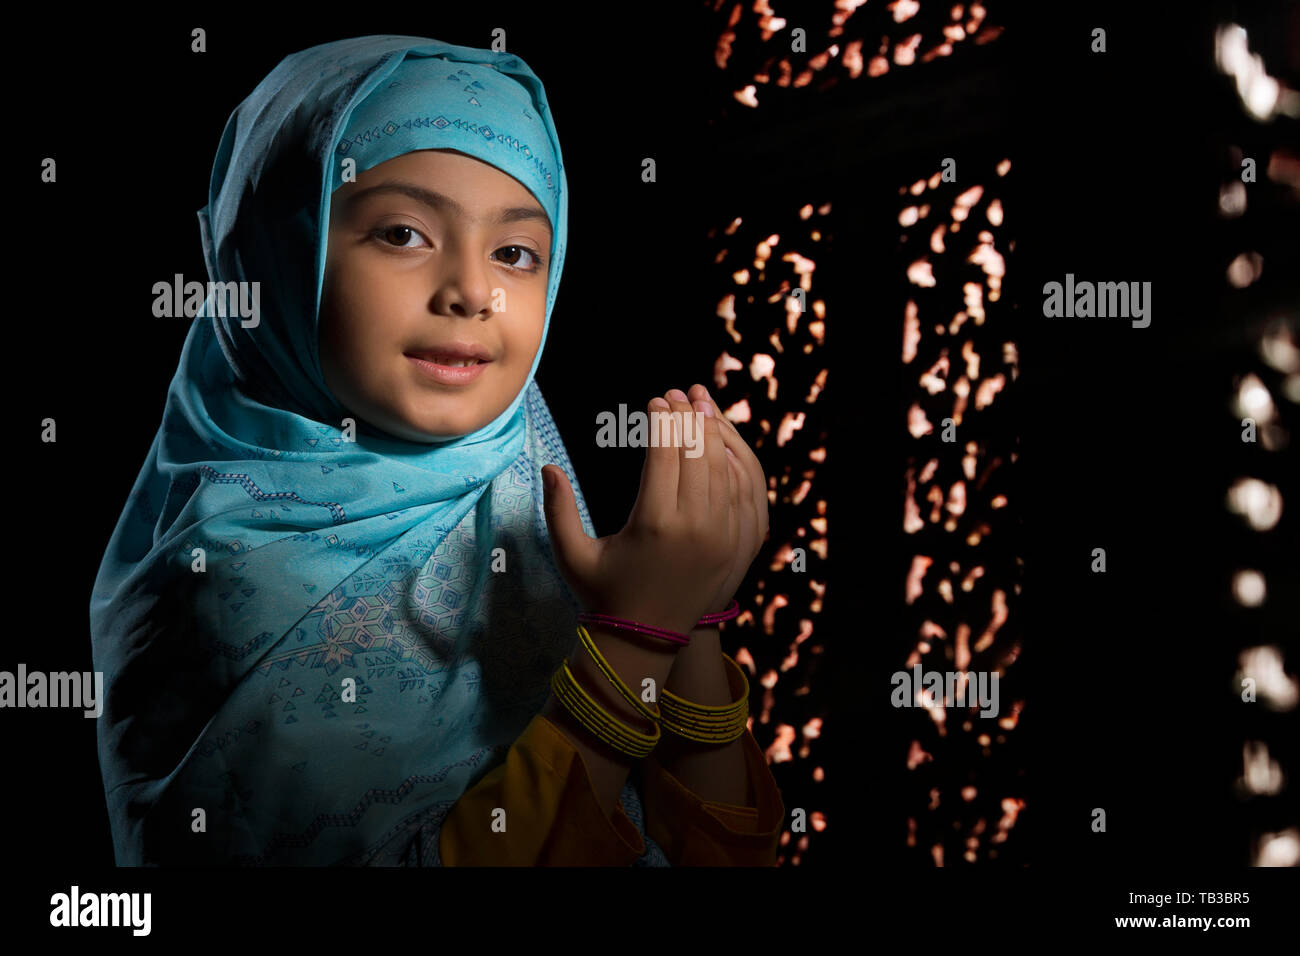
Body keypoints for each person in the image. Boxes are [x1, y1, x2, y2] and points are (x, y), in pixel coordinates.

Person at [90, 35, 783, 866]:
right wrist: (639, 633)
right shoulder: (229, 576)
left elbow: (720, 857)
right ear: (274, 249)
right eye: (403, 234)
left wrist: (691, 609)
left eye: (515, 253)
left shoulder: (522, 480)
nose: (471, 292)